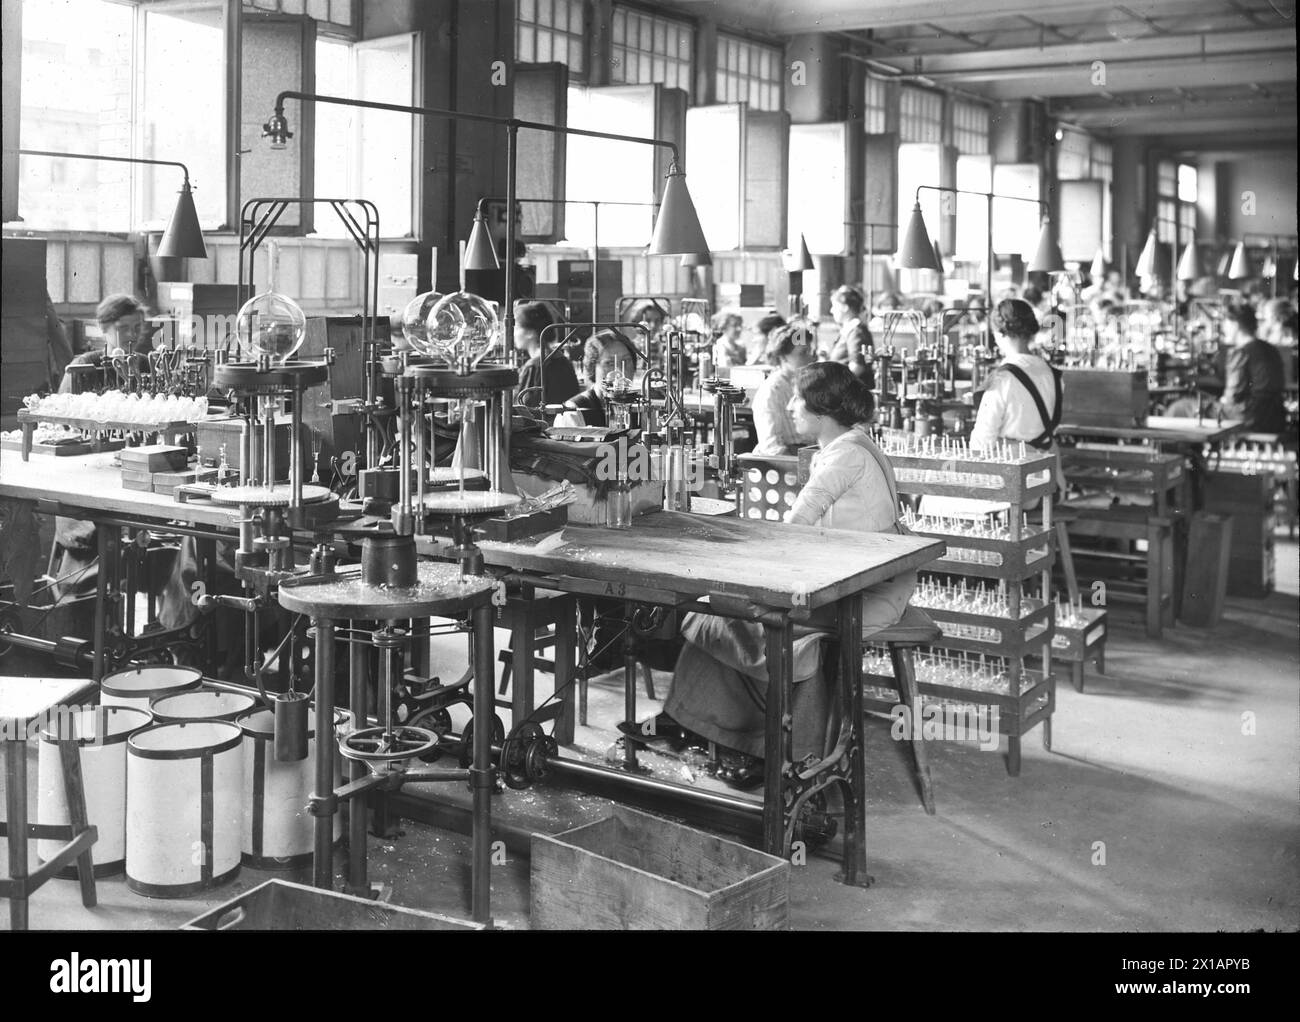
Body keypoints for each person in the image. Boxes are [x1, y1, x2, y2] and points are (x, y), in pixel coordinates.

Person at [649, 362, 916, 788]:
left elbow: (795, 524)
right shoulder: (852, 443)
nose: (790, 407)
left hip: (868, 593)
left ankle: (771, 750)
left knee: (737, 615)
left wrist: (734, 547)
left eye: (798, 400)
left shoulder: (845, 455)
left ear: (821, 413)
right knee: (725, 614)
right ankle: (704, 729)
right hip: (866, 578)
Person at [969, 298, 1062, 453]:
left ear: (998, 334)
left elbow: (982, 443)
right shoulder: (1053, 375)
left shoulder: (1002, 379)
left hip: (1009, 472)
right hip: (1044, 470)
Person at [58, 293, 157, 393]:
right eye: (123, 328)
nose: (132, 334)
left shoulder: (147, 365)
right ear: (103, 327)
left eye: (137, 327)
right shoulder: (83, 367)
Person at [1219, 304, 1286, 433]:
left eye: (1226, 324)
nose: (1224, 329)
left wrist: (1223, 400)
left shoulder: (1240, 352)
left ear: (1235, 324)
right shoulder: (1271, 349)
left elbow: (1232, 396)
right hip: (1276, 417)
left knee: (1183, 408)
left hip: (1250, 418)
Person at [751, 324, 814, 456]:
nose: (810, 358)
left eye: (810, 352)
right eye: (803, 353)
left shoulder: (809, 384)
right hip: (785, 463)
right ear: (783, 357)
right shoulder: (771, 391)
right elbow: (772, 447)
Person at [564, 328, 639, 428]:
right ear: (592, 367)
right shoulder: (574, 412)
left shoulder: (642, 409)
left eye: (626, 361)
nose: (619, 372)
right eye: (609, 363)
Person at [513, 301, 580, 408]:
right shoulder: (563, 360)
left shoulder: (534, 366)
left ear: (530, 332)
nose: (513, 333)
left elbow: (522, 409)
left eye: (516, 328)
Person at [827, 285, 874, 389]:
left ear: (845, 307)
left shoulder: (856, 331)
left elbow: (857, 366)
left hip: (852, 393)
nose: (831, 310)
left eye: (834, 306)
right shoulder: (850, 330)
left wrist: (834, 387)